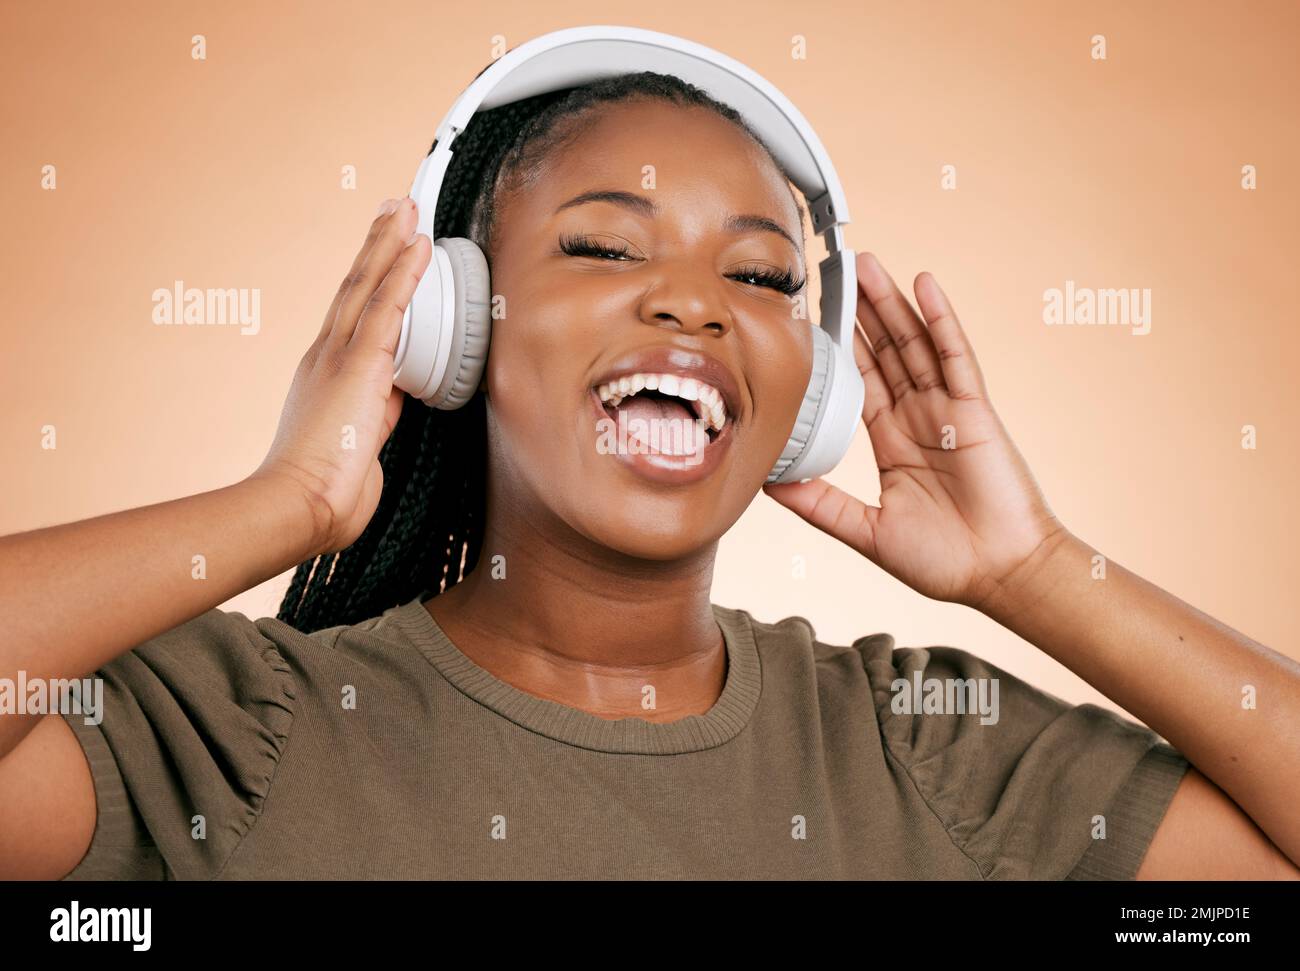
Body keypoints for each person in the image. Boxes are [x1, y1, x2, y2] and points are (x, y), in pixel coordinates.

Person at [1, 71, 1296, 881]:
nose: (694, 305)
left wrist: (1035, 572)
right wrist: (284, 503)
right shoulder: (238, 733)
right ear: (454, 325)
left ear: (816, 394)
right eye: (608, 247)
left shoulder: (928, 752)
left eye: (761, 276)